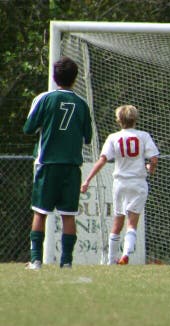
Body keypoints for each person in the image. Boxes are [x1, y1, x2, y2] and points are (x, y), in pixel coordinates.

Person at [23, 56, 93, 270]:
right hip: (71, 166)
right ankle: (67, 262)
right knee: (69, 215)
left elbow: (28, 128)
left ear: (54, 77)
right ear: (75, 78)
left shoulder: (43, 99)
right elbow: (87, 137)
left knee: (40, 211)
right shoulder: (82, 104)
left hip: (47, 163)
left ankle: (35, 260)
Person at [80, 105, 159, 265]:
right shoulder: (143, 136)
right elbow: (154, 158)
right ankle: (126, 254)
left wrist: (87, 180)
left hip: (120, 183)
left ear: (118, 120)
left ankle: (110, 260)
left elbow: (102, 159)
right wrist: (151, 169)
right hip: (138, 183)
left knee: (117, 222)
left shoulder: (113, 137)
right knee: (132, 223)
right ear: (135, 119)